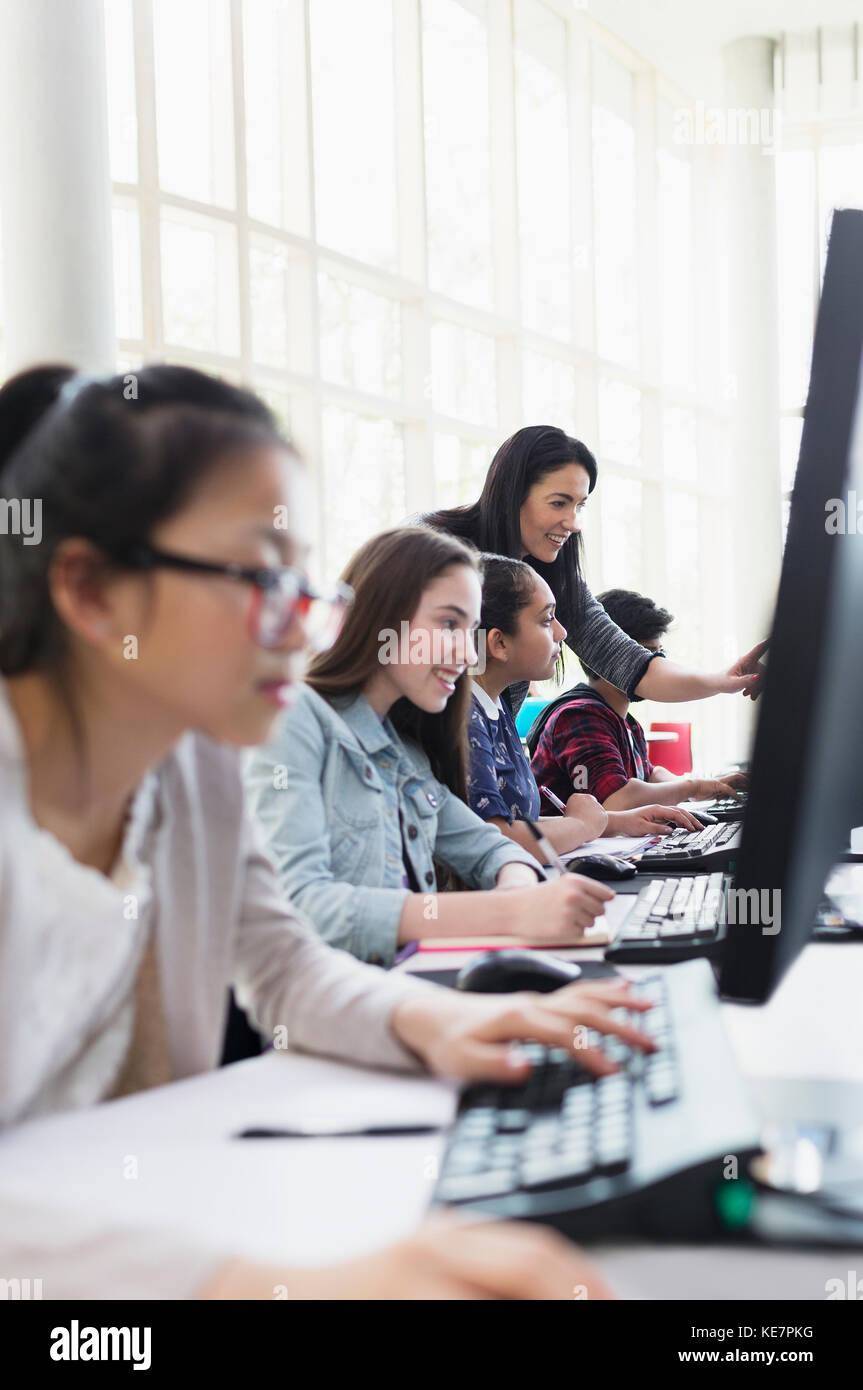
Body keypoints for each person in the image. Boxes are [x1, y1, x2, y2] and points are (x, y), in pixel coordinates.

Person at [0, 364, 656, 1301]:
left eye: (304, 581)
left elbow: (283, 960)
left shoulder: (195, 765)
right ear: (93, 590)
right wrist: (258, 1286)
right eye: (258, 578)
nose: (300, 622)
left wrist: (445, 1018)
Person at [247, 527, 615, 965]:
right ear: (385, 617)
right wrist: (503, 911)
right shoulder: (295, 720)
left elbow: (493, 848)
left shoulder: (407, 754)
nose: (466, 653)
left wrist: (517, 895)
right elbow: (304, 907)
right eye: (448, 624)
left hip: (405, 997)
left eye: (471, 629)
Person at [422, 424, 767, 718]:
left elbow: (632, 665)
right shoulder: (431, 547)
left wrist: (723, 679)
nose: (573, 523)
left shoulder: (551, 575)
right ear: (513, 494)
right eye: (558, 503)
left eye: (580, 505)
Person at [468, 559, 705, 862]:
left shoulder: (496, 708)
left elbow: (515, 823)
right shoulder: (468, 718)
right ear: (499, 643)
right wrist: (581, 825)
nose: (562, 632)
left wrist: (614, 822)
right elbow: (498, 838)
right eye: (546, 620)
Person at [529, 588, 749, 813]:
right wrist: (691, 788)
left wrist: (706, 785)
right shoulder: (580, 717)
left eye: (660, 654)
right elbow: (615, 800)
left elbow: (649, 775)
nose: (658, 665)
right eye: (647, 656)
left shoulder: (625, 720)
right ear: (616, 656)